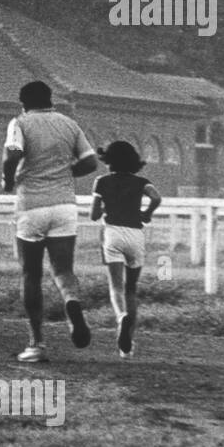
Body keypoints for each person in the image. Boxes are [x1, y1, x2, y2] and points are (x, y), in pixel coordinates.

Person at [1, 81, 98, 363]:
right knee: (63, 270)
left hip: (32, 205)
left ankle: (36, 343)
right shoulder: (69, 124)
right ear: (50, 100)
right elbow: (91, 163)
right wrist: (66, 172)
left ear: (23, 103)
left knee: (31, 275)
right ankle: (72, 305)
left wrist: (9, 180)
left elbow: (13, 154)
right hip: (65, 206)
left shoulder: (19, 122)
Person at [91, 141, 162, 359]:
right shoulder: (142, 182)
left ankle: (121, 316)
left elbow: (94, 215)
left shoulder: (101, 181)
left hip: (113, 233)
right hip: (136, 235)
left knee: (116, 287)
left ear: (109, 161)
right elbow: (157, 197)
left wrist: (106, 206)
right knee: (131, 288)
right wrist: (147, 213)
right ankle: (127, 345)